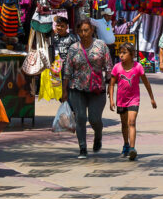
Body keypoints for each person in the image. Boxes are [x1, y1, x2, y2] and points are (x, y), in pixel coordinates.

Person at [60, 20, 112, 159]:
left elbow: (108, 67)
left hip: (97, 89)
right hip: (77, 88)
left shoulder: (101, 45)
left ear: (92, 30)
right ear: (78, 32)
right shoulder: (73, 48)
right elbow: (67, 71)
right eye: (81, 31)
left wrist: (110, 85)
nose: (84, 34)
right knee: (80, 118)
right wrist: (64, 90)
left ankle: (98, 136)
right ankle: (82, 148)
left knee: (94, 119)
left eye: (86, 30)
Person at [108, 42, 156, 160]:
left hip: (134, 99)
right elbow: (112, 84)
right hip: (121, 100)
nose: (121, 55)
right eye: (120, 53)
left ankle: (132, 148)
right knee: (124, 124)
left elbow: (146, 82)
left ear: (132, 54)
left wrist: (152, 98)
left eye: (124, 53)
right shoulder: (117, 67)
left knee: (132, 122)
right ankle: (126, 144)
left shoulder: (138, 67)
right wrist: (111, 100)